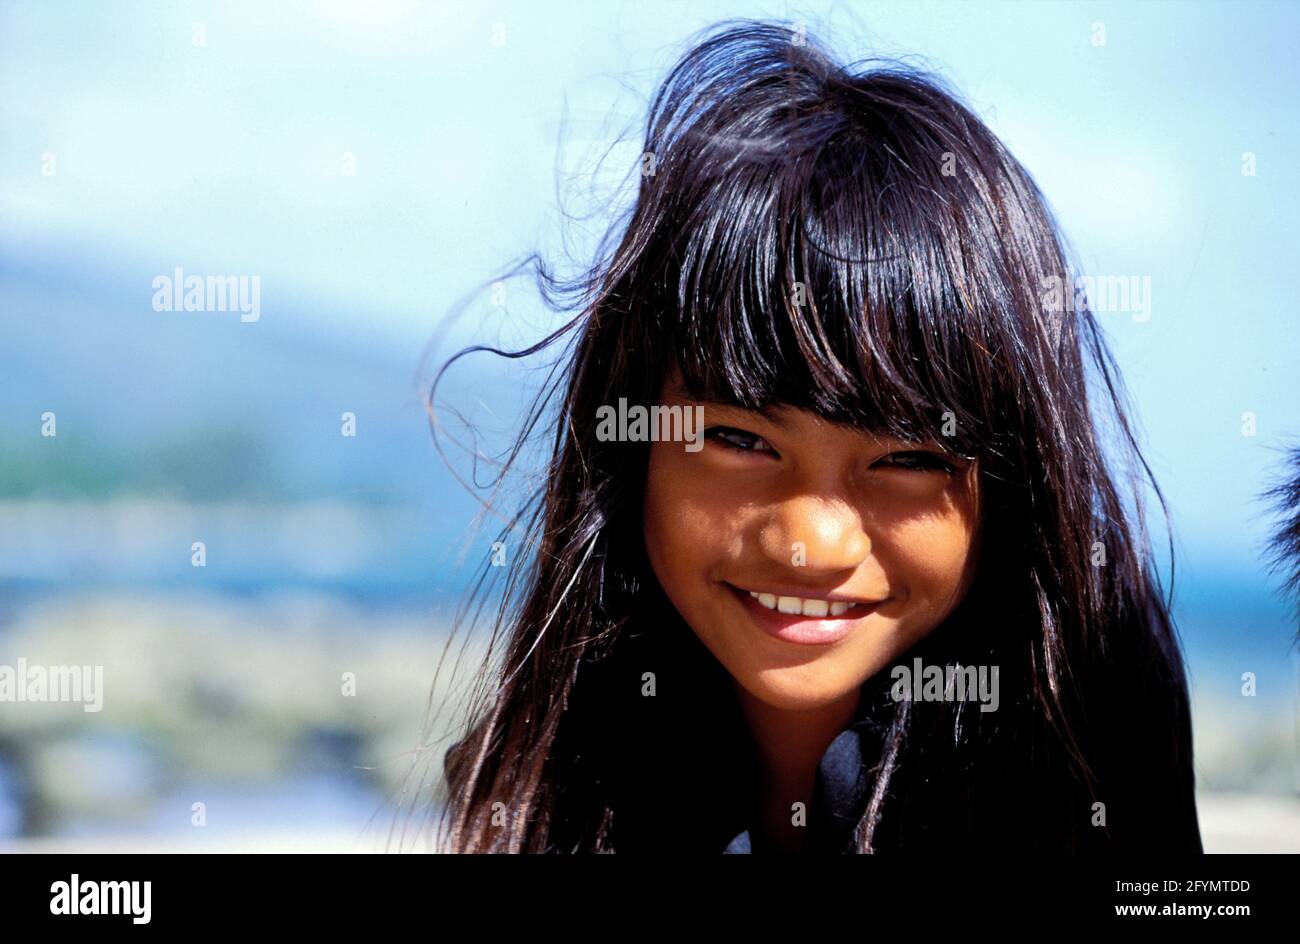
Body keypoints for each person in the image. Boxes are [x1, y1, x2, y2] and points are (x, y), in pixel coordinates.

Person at [426, 19, 1202, 853]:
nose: (811, 541)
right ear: (630, 446)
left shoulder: (1095, 764)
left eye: (907, 457)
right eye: (740, 439)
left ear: (1013, 489)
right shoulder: (546, 794)